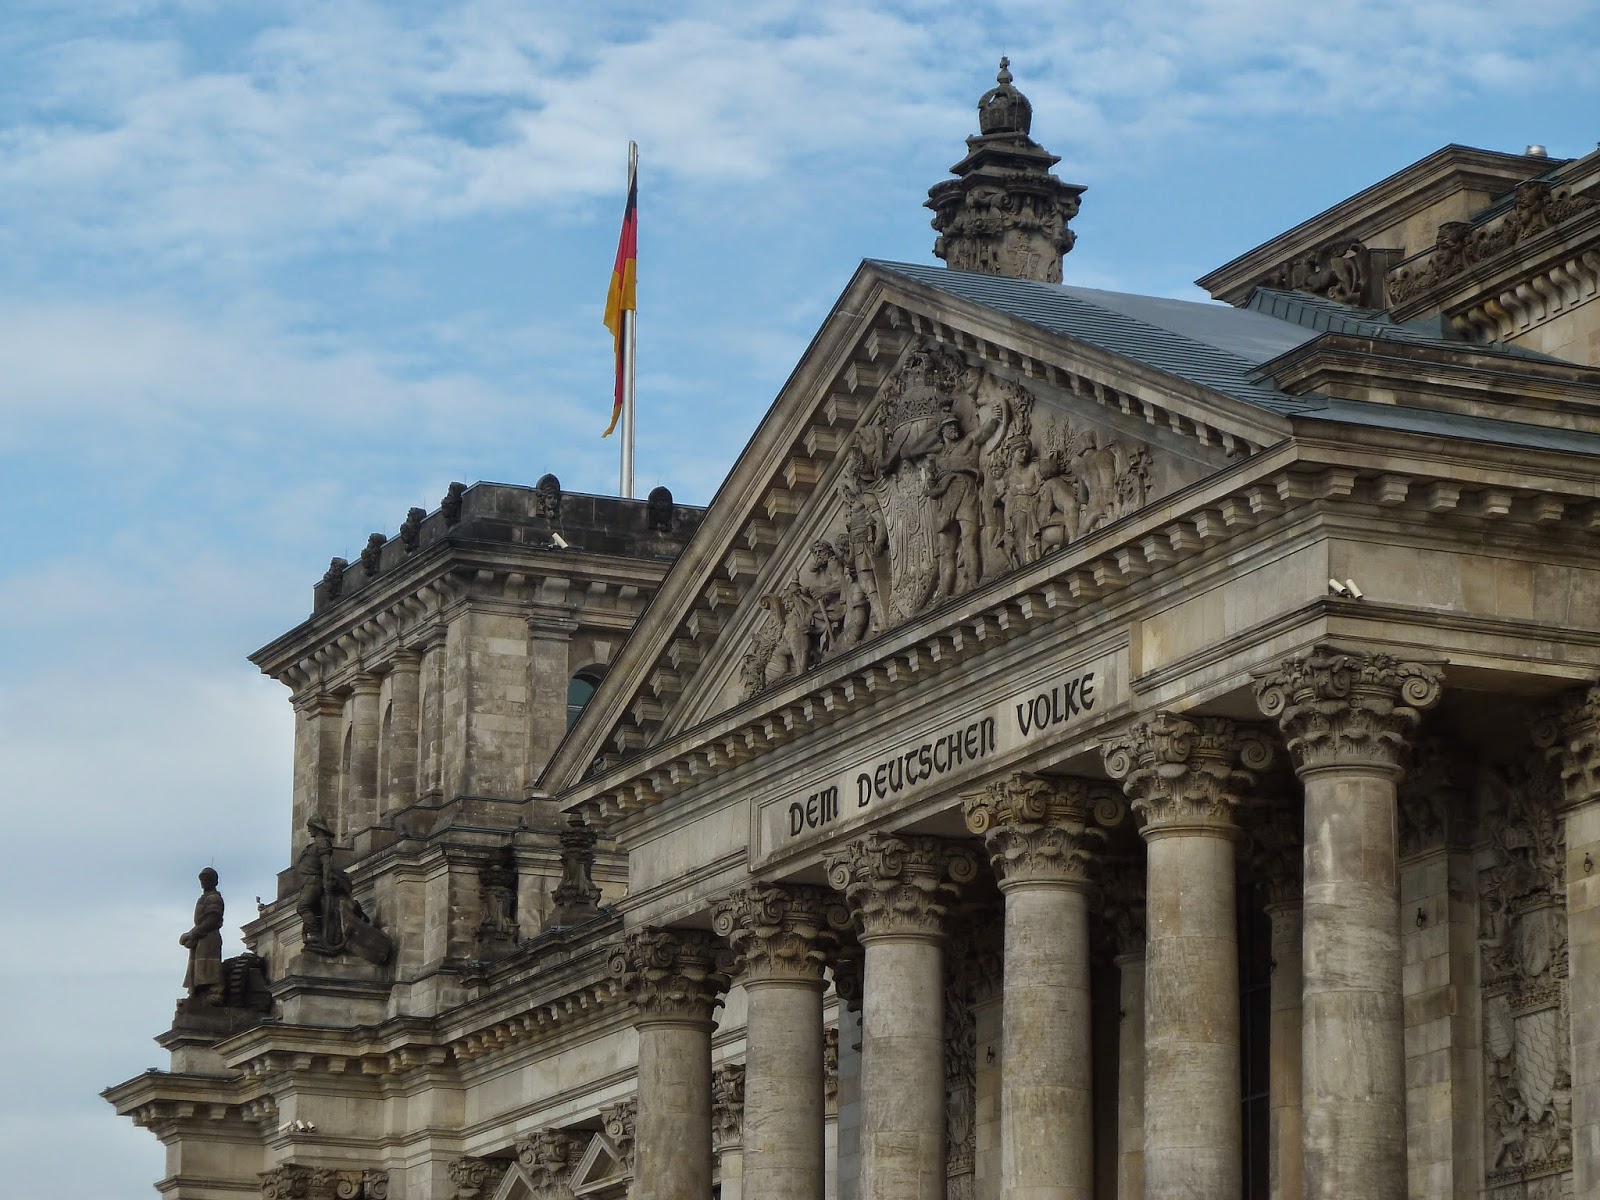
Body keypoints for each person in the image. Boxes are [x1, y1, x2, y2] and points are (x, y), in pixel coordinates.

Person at [180, 868, 225, 1004]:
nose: (203, 882)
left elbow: (212, 920)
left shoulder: (214, 898)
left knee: (208, 967)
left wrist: (192, 934)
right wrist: (192, 936)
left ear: (214, 881)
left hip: (209, 937)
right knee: (198, 968)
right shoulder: (204, 898)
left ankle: (214, 993)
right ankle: (197, 994)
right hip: (202, 936)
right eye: (202, 880)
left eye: (207, 879)